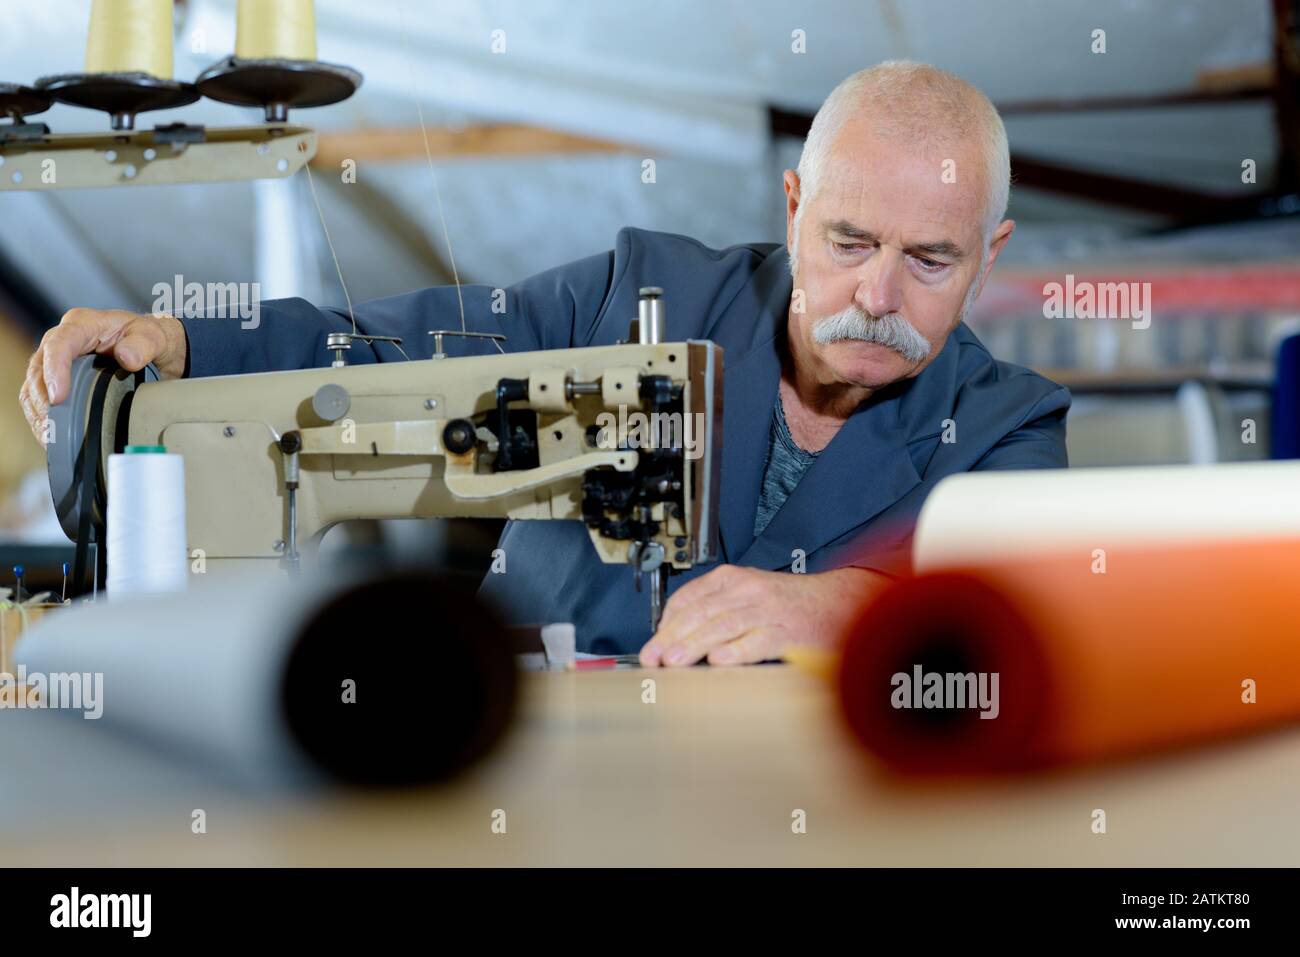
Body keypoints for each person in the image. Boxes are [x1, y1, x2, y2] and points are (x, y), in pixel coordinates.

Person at [19, 60, 1069, 666]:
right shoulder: (634, 296)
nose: (878, 297)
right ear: (791, 208)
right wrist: (190, 340)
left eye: (930, 259)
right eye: (848, 244)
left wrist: (849, 608)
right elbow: (401, 343)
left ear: (991, 255)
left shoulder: (1006, 425)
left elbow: (1038, 621)